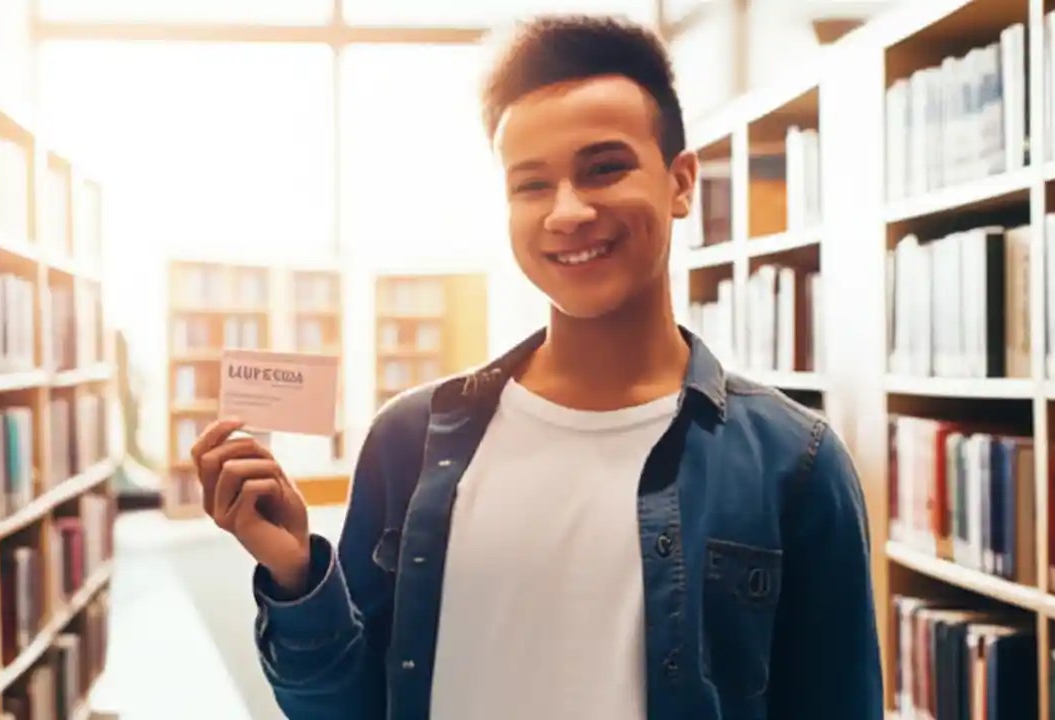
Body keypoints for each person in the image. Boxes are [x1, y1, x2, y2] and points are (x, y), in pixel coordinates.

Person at [191, 13, 883, 720]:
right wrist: (295, 572)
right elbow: (348, 709)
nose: (568, 212)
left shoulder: (794, 465)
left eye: (604, 169)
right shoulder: (410, 441)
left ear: (680, 182)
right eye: (531, 185)